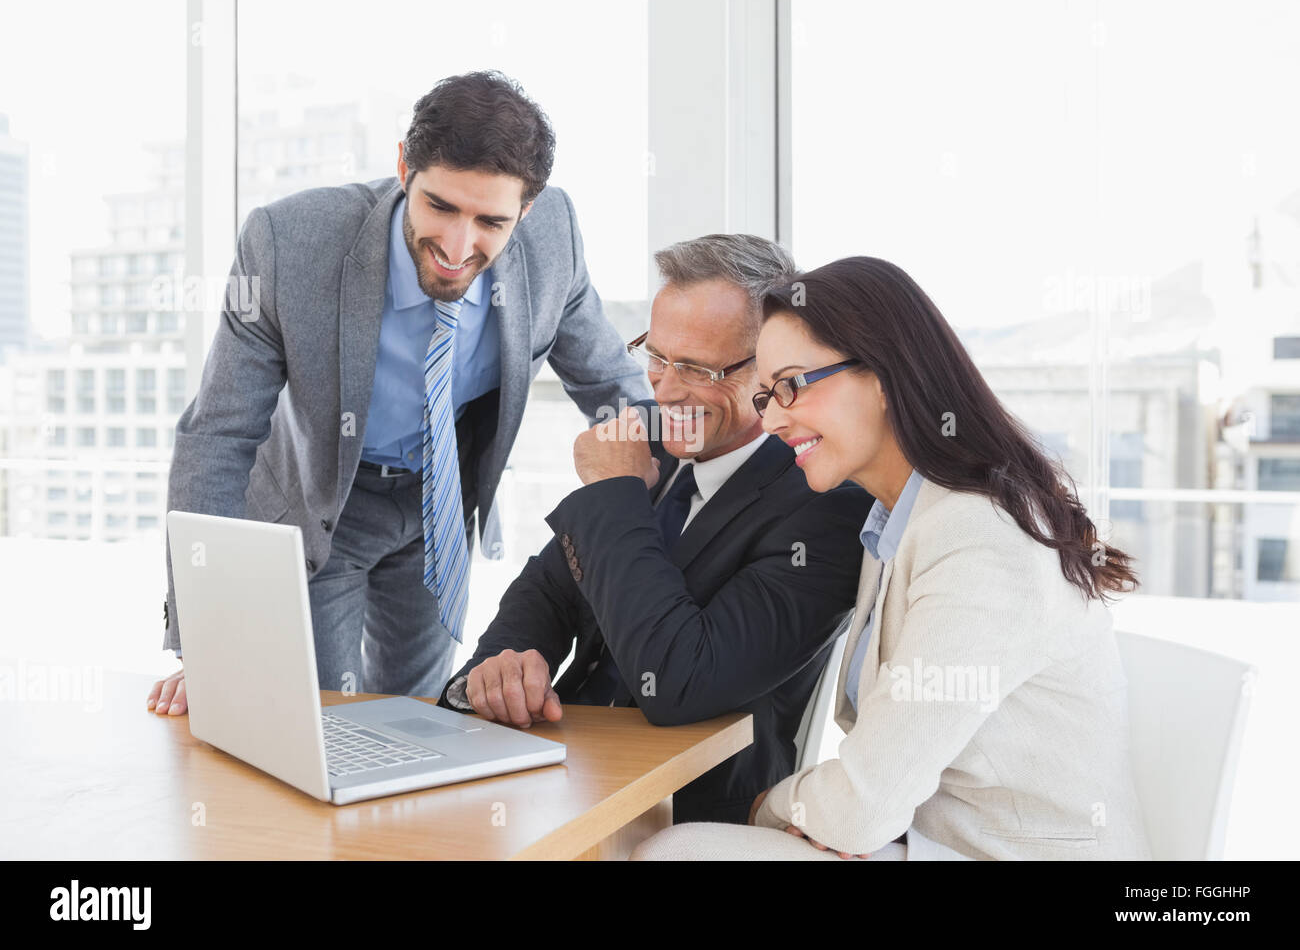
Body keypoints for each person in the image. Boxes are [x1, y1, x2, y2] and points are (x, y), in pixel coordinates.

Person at [148, 71, 650, 716]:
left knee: (416, 721)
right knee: (310, 717)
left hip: (441, 505)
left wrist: (708, 478)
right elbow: (219, 433)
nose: (457, 246)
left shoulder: (554, 238)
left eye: (490, 220)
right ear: (403, 168)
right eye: (440, 206)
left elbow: (610, 384)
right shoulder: (289, 243)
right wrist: (207, 638)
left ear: (527, 209)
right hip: (323, 504)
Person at [631, 256, 1151, 859]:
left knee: (677, 852)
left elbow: (861, 806)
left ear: (884, 375)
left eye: (792, 385)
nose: (772, 418)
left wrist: (765, 809)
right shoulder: (897, 523)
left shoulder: (979, 536)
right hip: (923, 842)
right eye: (767, 394)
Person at [439, 235, 872, 824]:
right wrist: (499, 671)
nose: (663, 389)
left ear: (771, 367)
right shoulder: (647, 439)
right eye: (657, 357)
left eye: (697, 368)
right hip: (560, 769)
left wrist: (613, 495)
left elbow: (677, 682)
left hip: (684, 807)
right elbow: (545, 592)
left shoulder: (825, 507)